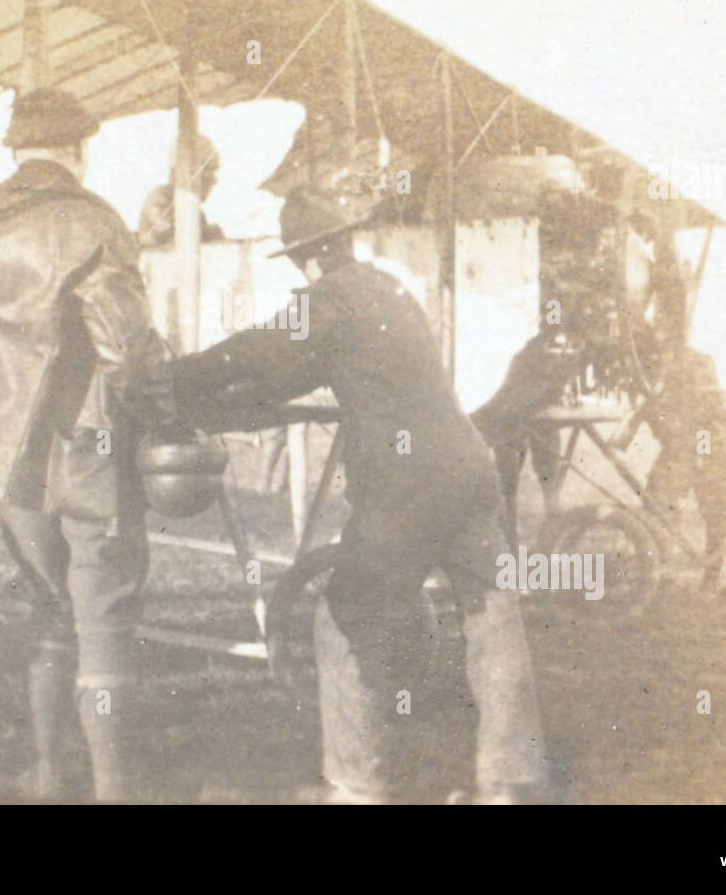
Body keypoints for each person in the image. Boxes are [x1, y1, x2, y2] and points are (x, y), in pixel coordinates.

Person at [145, 187, 550, 803]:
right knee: (491, 614)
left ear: (306, 258)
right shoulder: (389, 291)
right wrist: (238, 397)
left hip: (408, 487)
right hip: (469, 467)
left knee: (341, 619)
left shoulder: (326, 299)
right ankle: (512, 783)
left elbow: (256, 352)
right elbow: (294, 371)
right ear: (347, 241)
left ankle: (358, 786)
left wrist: (179, 378)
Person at [0, 87, 166, 802]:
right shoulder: (94, 222)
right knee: (104, 614)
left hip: (5, 453)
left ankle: (51, 775)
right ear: (78, 148)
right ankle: (117, 788)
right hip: (87, 446)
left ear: (18, 148)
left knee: (47, 606)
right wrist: (168, 388)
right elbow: (126, 350)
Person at [643, 345, 726, 595]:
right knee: (711, 515)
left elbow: (709, 424)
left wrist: (704, 458)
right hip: (705, 452)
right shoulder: (664, 375)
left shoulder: (695, 373)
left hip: (719, 455)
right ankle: (719, 577)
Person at [471, 330, 576, 542]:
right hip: (512, 422)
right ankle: (510, 541)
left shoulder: (552, 353)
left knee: (548, 480)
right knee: (509, 486)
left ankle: (550, 536)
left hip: (536, 420)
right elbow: (508, 398)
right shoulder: (523, 357)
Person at [137, 133, 225, 248]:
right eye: (209, 171)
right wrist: (210, 232)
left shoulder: (196, 212)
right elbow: (171, 235)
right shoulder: (160, 199)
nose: (214, 180)